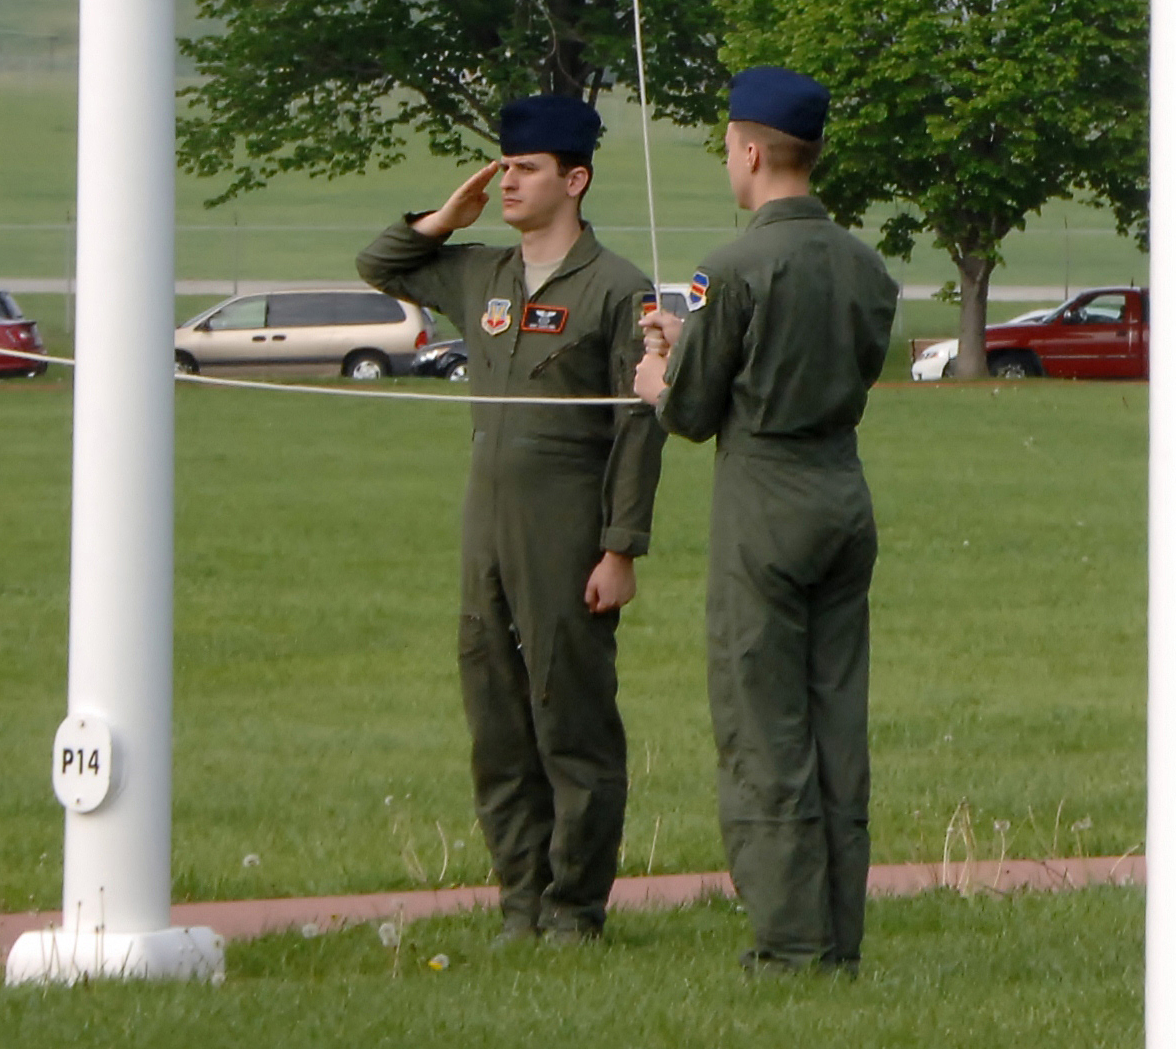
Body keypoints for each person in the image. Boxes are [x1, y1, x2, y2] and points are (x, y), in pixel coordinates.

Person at [358, 94, 660, 943]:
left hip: (566, 525)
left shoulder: (615, 288)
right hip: (484, 523)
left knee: (570, 715)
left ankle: (574, 907)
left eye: (525, 169)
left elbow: (638, 428)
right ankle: (520, 901)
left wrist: (621, 548)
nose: (508, 182)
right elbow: (380, 265)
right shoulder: (480, 272)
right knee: (495, 717)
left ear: (576, 178)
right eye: (505, 167)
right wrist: (444, 217)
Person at [632, 66, 894, 975]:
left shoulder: (729, 269)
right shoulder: (866, 266)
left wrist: (659, 373)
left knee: (762, 724)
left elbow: (694, 412)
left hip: (765, 497)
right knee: (835, 722)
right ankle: (841, 938)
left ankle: (790, 945)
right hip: (842, 491)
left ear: (749, 150)